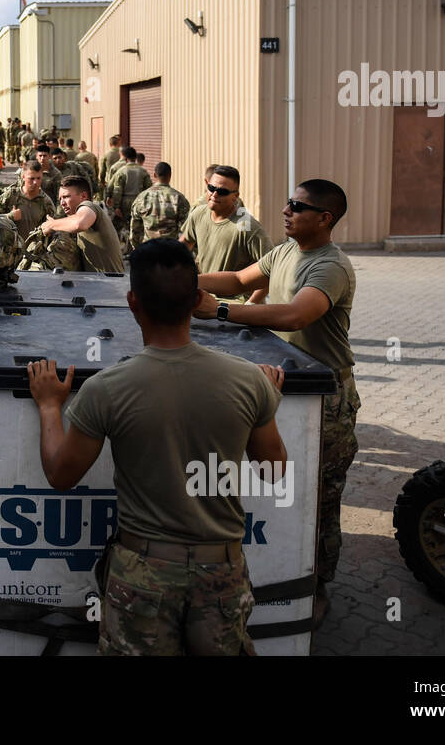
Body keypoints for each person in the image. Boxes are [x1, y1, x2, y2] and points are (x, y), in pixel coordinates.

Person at [25, 239, 286, 655]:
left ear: (132, 302)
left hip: (142, 575)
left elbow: (61, 474)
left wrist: (50, 406)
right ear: (199, 299)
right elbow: (273, 471)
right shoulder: (249, 380)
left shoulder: (106, 389)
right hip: (221, 571)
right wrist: (265, 404)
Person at [193, 179, 357, 626]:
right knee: (279, 483)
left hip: (327, 397)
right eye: (288, 202)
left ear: (324, 218)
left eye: (297, 206)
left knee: (320, 495)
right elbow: (239, 279)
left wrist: (220, 310)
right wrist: (182, 278)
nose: (286, 210)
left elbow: (295, 314)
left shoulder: (329, 266)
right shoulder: (285, 251)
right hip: (284, 385)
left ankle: (315, 586)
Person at [179, 164, 269, 304]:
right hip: (202, 298)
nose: (214, 195)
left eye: (222, 192)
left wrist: (250, 304)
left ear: (235, 196)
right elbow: (184, 245)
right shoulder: (198, 214)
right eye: (211, 188)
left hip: (234, 305)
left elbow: (272, 270)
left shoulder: (246, 225)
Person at [39, 175, 123, 272]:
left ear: (83, 196)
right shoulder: (76, 219)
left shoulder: (89, 206)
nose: (62, 203)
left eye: (66, 197)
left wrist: (52, 225)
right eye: (60, 199)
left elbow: (79, 223)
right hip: (96, 282)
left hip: (110, 283)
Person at [129, 162, 190, 251]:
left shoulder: (141, 198)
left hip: (148, 249)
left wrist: (136, 247)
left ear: (154, 175)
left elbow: (135, 227)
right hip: (170, 250)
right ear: (170, 175)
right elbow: (186, 229)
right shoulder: (179, 198)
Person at [0, 161, 56, 241]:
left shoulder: (46, 202)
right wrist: (9, 216)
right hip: (11, 249)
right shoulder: (11, 196)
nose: (35, 182)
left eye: (38, 178)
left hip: (33, 250)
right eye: (32, 178)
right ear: (23, 177)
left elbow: (53, 228)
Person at [107, 147, 150, 238]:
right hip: (139, 202)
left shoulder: (121, 171)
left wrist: (116, 206)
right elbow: (149, 189)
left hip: (125, 203)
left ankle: (124, 247)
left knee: (122, 226)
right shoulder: (143, 171)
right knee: (137, 227)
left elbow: (116, 190)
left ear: (125, 159)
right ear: (135, 157)